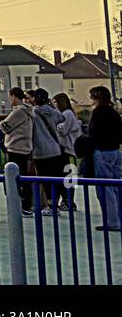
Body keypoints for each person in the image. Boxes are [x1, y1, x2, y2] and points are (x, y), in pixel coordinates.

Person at [85, 86, 122, 231]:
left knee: (105, 188)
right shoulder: (113, 113)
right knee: (117, 186)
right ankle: (119, 218)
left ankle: (112, 221)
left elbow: (92, 132)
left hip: (102, 151)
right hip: (115, 151)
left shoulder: (98, 113)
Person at [29, 88, 67, 214]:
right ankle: (55, 203)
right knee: (55, 177)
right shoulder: (53, 112)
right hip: (55, 149)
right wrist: (52, 107)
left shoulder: (33, 112)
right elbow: (62, 118)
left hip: (40, 151)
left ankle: (49, 204)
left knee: (44, 178)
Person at [0, 88, 36, 214]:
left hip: (16, 147)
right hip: (24, 147)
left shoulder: (19, 112)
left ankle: (23, 205)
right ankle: (26, 204)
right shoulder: (27, 111)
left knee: (15, 178)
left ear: (13, 96)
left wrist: (1, 124)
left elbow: (5, 126)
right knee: (23, 176)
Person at [53, 92, 81, 212]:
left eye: (55, 101)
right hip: (67, 149)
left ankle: (68, 201)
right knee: (67, 176)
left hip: (69, 149)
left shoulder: (67, 114)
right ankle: (66, 200)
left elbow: (63, 129)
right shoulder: (66, 113)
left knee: (69, 176)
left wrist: (56, 126)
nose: (54, 104)